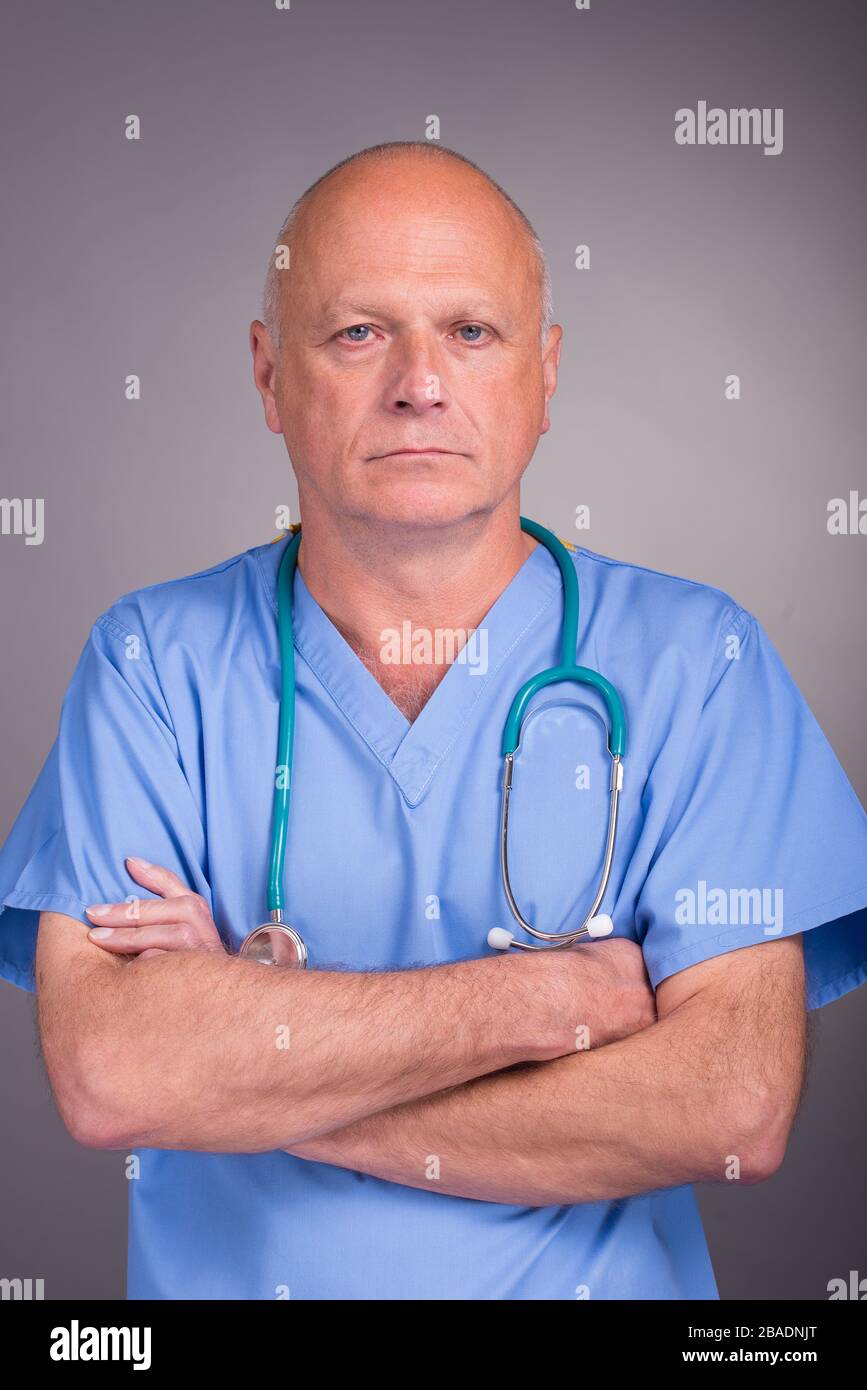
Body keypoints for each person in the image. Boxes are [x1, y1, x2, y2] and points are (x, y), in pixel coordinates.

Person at [1, 141, 866, 1301]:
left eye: (471, 331)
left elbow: (732, 1107)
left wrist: (254, 1065)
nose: (419, 380)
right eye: (359, 332)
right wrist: (542, 1003)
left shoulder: (698, 663)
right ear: (267, 374)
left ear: (545, 373)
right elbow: (114, 1073)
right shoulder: (153, 664)